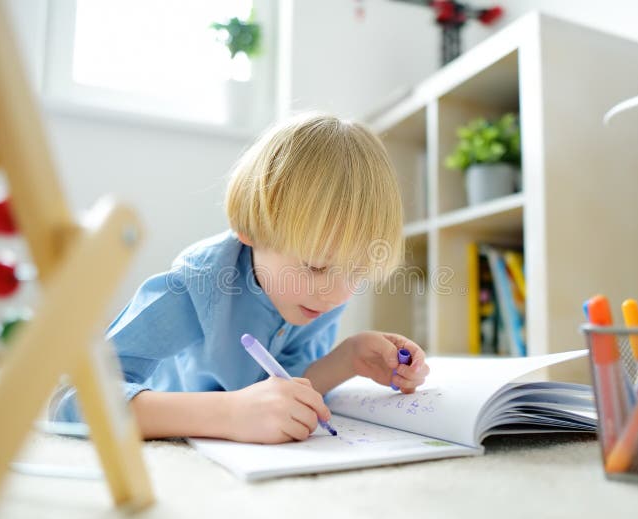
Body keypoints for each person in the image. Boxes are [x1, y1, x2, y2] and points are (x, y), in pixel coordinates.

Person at [50, 113, 430, 443]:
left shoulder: (316, 298)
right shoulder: (199, 285)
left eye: (357, 272)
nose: (337, 294)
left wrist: (349, 358)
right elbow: (69, 397)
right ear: (251, 229)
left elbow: (285, 384)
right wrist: (228, 413)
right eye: (315, 265)